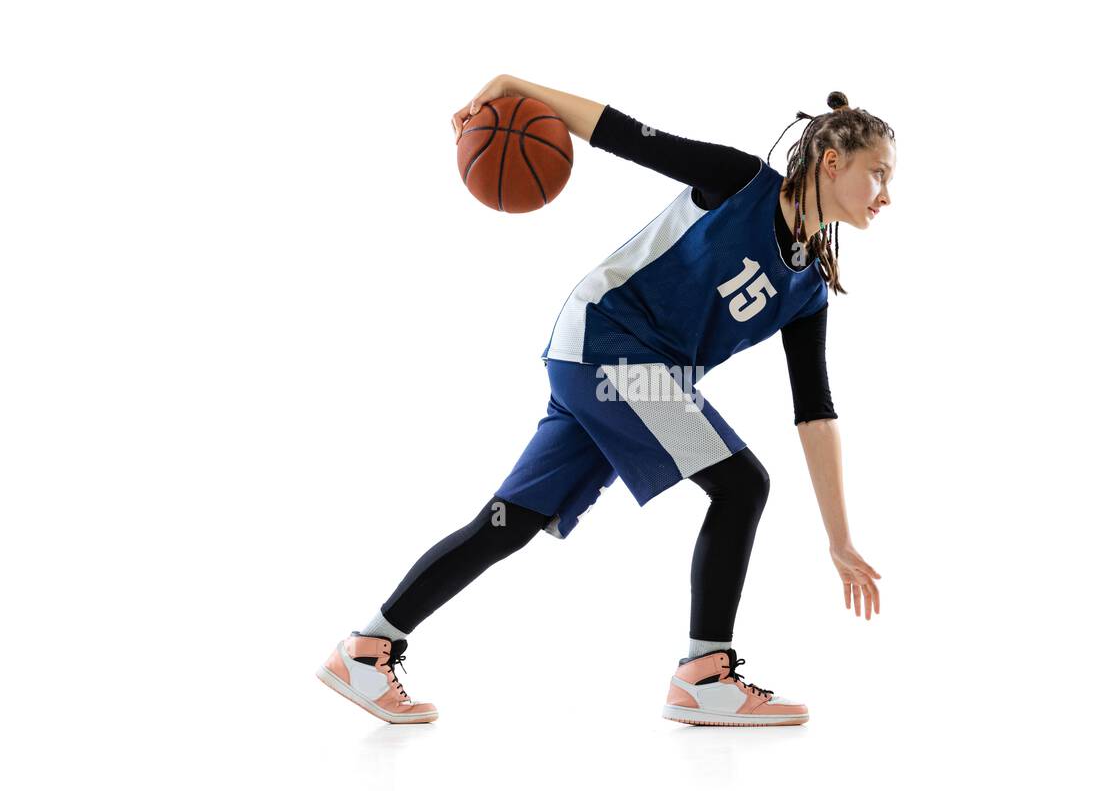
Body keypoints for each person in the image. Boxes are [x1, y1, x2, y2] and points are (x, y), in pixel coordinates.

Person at [316, 74, 894, 726]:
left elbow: (815, 410)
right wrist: (516, 87)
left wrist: (839, 539)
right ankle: (705, 673)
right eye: (880, 173)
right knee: (741, 486)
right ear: (832, 160)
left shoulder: (809, 285)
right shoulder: (741, 183)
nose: (888, 195)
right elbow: (624, 134)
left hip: (617, 368)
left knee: (511, 521)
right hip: (607, 343)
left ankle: (366, 649)